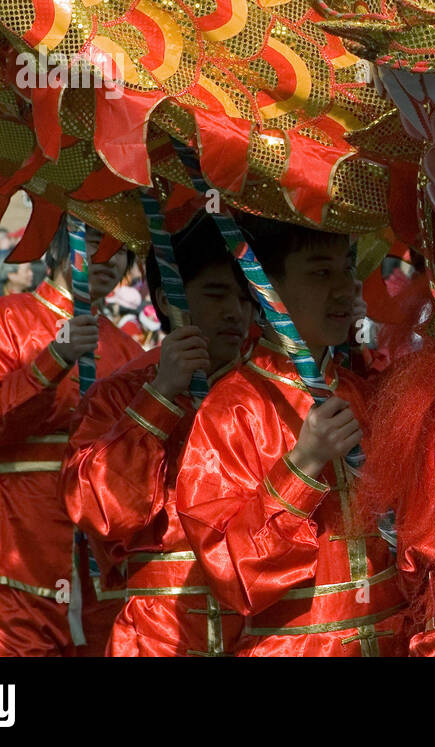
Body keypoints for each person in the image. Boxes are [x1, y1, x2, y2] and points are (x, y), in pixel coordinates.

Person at [175, 216, 407, 656]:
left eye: (346, 270)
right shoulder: (233, 409)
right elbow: (231, 573)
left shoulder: (366, 395)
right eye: (321, 272)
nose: (344, 288)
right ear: (268, 286)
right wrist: (304, 465)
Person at [0, 220, 144, 656]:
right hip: (19, 530)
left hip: (102, 538)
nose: (109, 259)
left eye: (121, 249)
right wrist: (55, 358)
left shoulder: (129, 349)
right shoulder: (4, 318)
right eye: (95, 241)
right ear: (59, 247)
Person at [63, 215, 255, 656]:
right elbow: (99, 512)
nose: (234, 312)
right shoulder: (119, 393)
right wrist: (161, 396)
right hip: (157, 634)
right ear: (168, 300)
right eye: (215, 293)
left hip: (259, 631)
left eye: (246, 298)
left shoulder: (269, 393)